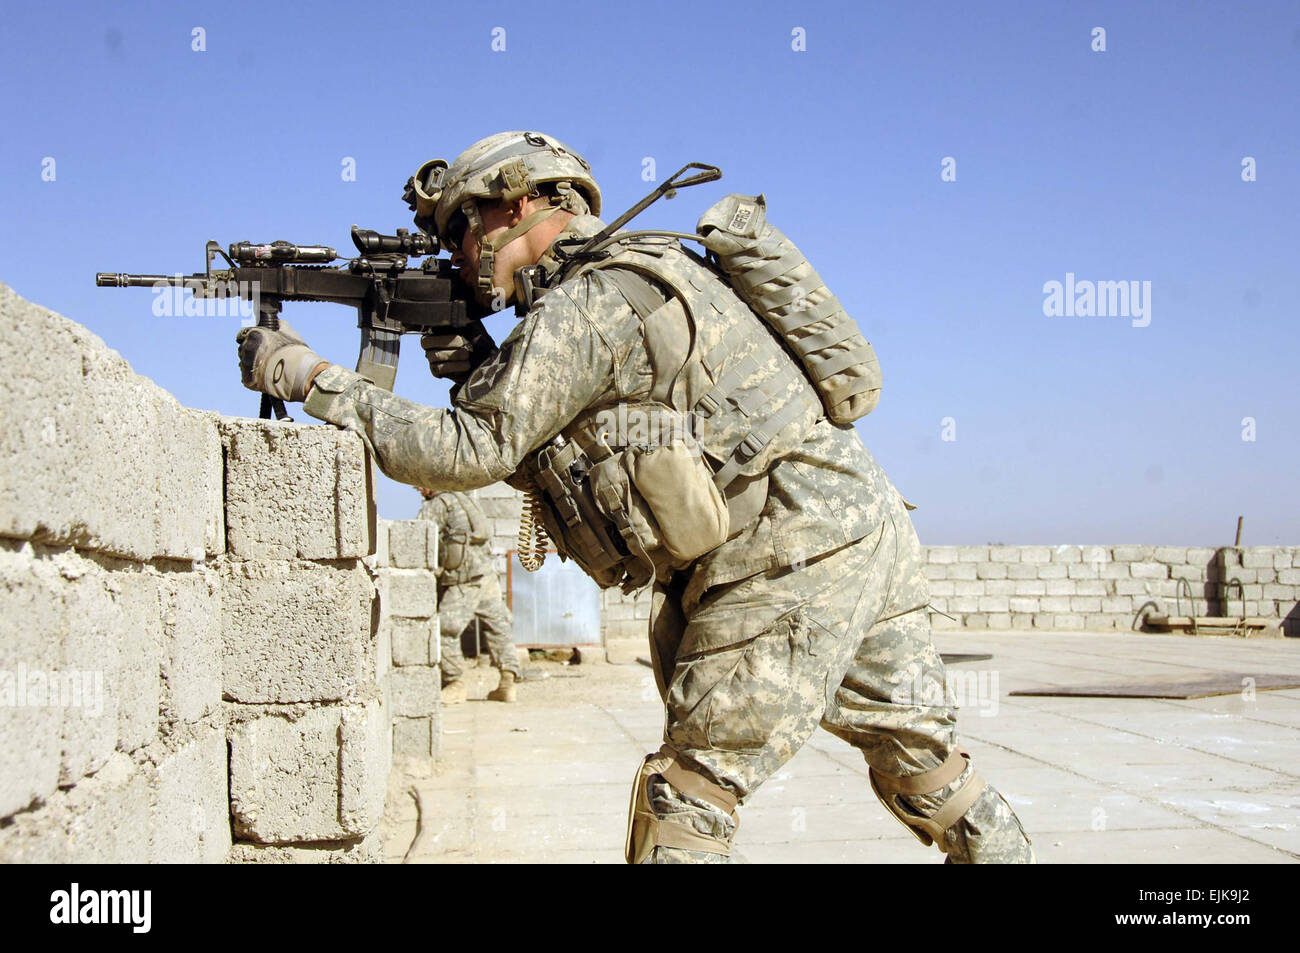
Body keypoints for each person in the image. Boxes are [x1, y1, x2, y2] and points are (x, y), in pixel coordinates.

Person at [236, 131, 1034, 864]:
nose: (462, 254)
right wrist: (470, 359)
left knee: (688, 798)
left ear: (517, 204)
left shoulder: (585, 304)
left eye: (462, 231)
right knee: (926, 771)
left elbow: (470, 449)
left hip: (789, 554)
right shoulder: (646, 267)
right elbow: (565, 446)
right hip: (862, 528)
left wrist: (311, 377)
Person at [414, 486, 522, 704]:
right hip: (485, 573)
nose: (417, 489)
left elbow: (418, 540)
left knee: (445, 629)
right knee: (498, 625)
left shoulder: (438, 505)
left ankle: (454, 683)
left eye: (418, 484)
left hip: (463, 578)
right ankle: (507, 683)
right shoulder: (465, 499)